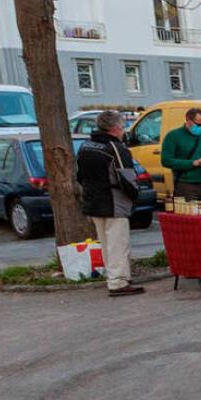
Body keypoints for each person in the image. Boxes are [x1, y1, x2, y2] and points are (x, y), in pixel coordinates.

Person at [75, 109, 144, 297]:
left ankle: (113, 277)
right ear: (114, 128)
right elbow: (127, 177)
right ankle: (119, 282)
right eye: (122, 127)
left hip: (92, 199)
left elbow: (79, 175)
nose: (123, 131)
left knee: (106, 242)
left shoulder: (86, 146)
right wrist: (135, 195)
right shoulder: (115, 148)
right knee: (118, 242)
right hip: (113, 201)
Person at [161, 107, 201, 202]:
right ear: (188, 120)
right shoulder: (173, 136)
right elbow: (166, 161)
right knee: (190, 215)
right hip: (187, 186)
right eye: (199, 124)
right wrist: (193, 163)